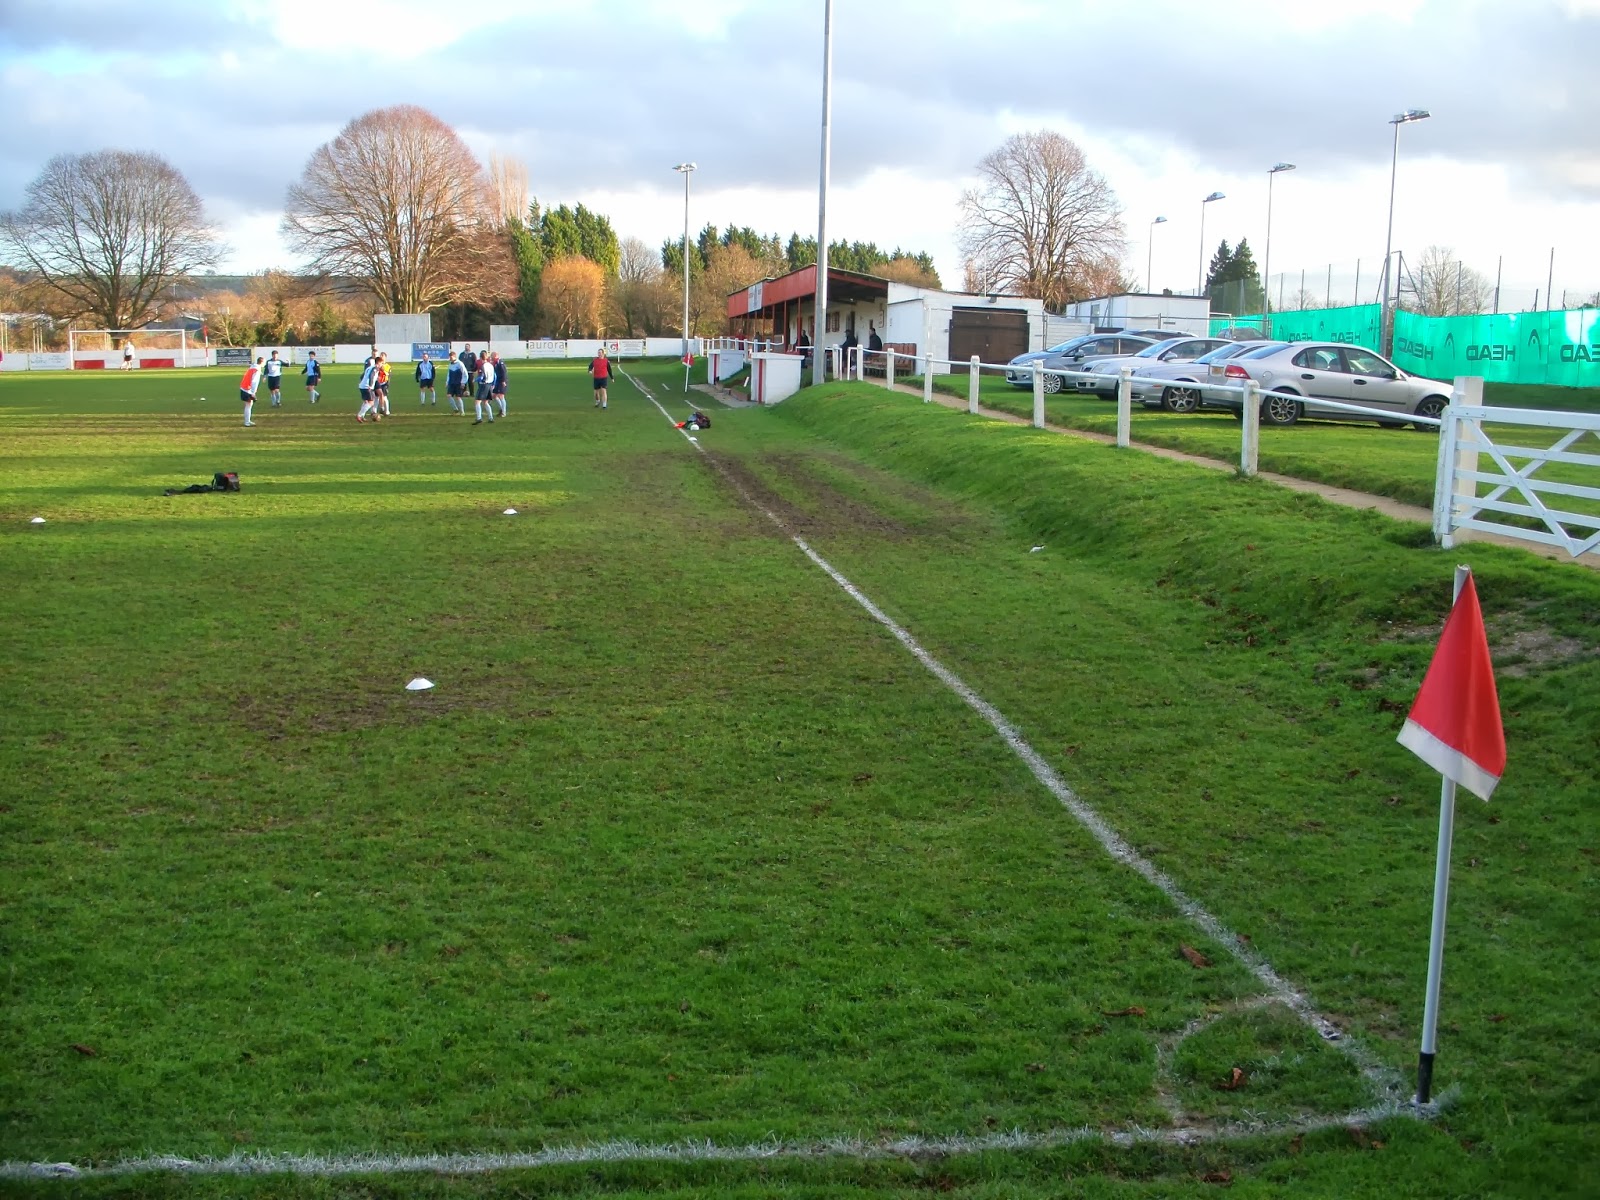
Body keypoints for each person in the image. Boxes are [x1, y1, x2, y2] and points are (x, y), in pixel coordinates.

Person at [239, 357, 263, 426]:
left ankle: (248, 420)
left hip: (244, 387)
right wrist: (253, 392)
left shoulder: (253, 367)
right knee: (248, 404)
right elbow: (254, 381)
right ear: (262, 363)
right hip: (247, 389)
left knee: (249, 404)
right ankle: (247, 422)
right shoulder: (257, 370)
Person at [472, 354, 496, 424]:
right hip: (489, 384)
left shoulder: (483, 366)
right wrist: (493, 384)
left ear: (480, 358)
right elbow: (495, 376)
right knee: (485, 402)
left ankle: (479, 418)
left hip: (484, 385)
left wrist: (475, 380)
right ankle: (491, 418)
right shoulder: (491, 365)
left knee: (477, 402)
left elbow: (482, 377)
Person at [356, 356, 379, 422]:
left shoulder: (369, 368)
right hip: (367, 387)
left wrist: (361, 383)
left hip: (362, 386)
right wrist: (371, 385)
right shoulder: (375, 369)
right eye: (382, 363)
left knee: (366, 401)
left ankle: (362, 416)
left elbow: (362, 376)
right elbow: (371, 376)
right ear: (378, 363)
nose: (382, 365)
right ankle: (359, 415)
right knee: (371, 402)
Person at [491, 352, 508, 418]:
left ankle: (503, 412)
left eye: (492, 356)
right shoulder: (495, 363)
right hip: (497, 381)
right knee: (494, 395)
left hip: (501, 381)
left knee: (501, 396)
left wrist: (503, 381)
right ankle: (501, 409)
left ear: (495, 356)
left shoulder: (500, 362)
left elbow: (504, 372)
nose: (491, 357)